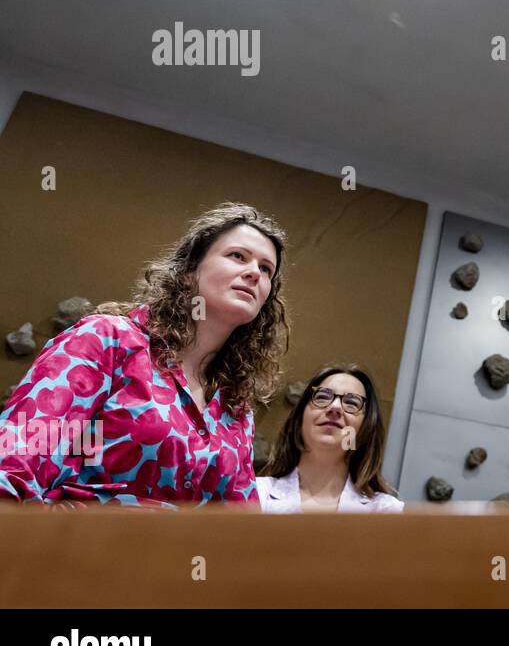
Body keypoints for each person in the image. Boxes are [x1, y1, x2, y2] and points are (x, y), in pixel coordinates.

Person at [0, 203, 288, 506]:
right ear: (189, 271)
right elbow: (17, 456)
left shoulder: (235, 406)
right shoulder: (108, 340)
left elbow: (241, 527)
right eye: (237, 256)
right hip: (71, 548)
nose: (254, 272)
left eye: (266, 268)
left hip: (186, 554)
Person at [258, 364, 403, 512]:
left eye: (352, 403)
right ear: (299, 419)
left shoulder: (385, 511)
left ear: (365, 429)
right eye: (322, 397)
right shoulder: (256, 495)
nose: (335, 407)